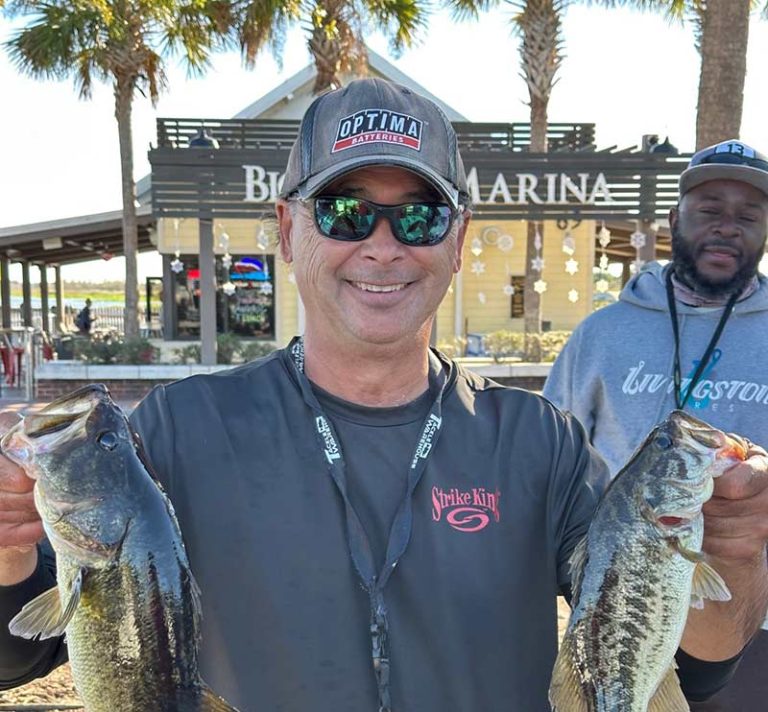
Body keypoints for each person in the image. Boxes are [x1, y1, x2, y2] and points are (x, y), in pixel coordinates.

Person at [0, 83, 766, 712]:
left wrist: (733, 552)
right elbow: (21, 654)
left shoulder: (542, 441)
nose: (382, 244)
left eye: (420, 215)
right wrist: (7, 542)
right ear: (286, 228)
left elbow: (693, 670)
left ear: (459, 240)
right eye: (343, 210)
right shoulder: (177, 429)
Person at [544, 138, 768, 712]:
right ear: (675, 219)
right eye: (710, 210)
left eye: (748, 215)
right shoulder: (601, 335)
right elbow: (550, 468)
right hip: (620, 618)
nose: (728, 227)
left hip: (755, 623)